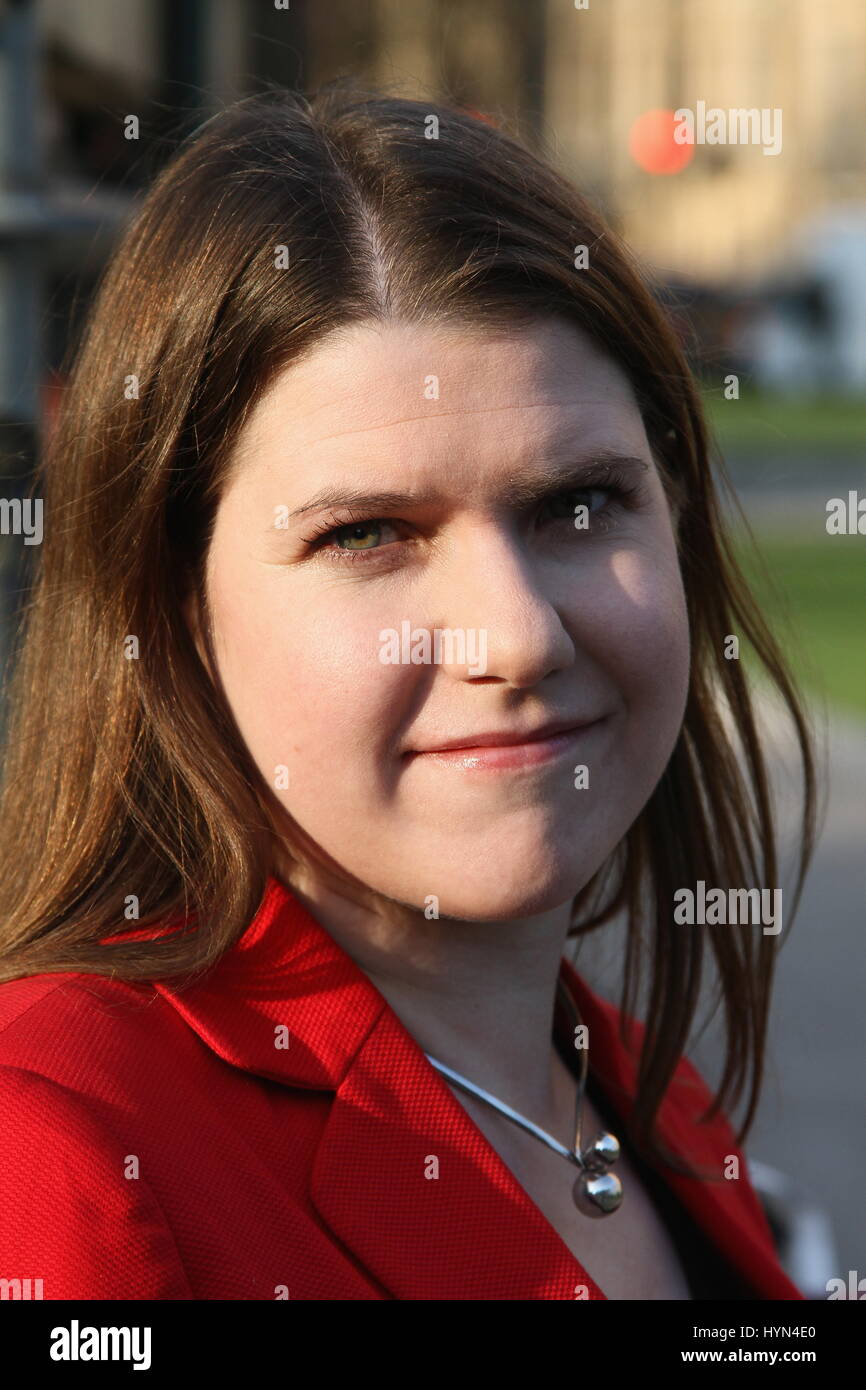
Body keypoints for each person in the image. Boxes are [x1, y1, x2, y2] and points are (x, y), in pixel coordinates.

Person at [0, 82, 816, 1301]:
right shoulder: (57, 1147)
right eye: (369, 533)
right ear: (175, 607)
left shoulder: (652, 1101)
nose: (518, 636)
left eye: (577, 505)